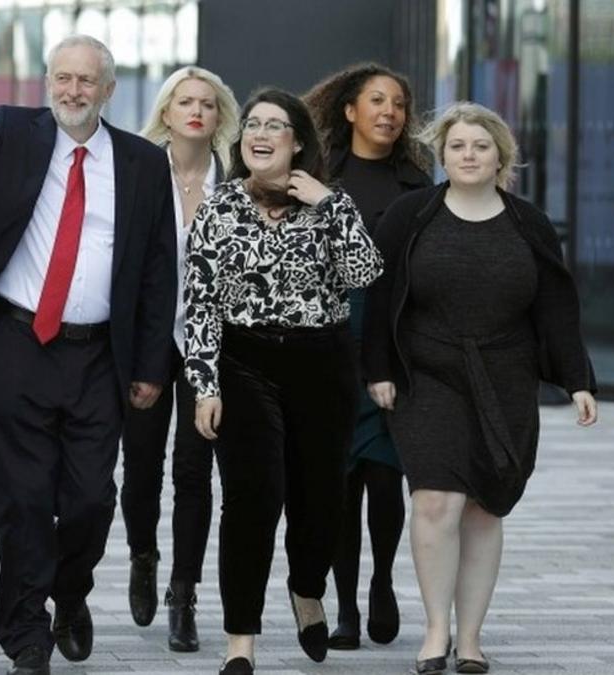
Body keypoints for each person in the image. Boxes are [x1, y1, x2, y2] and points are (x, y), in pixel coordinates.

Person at [0, 7, 176, 675]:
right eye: (62, 77)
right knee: (23, 497)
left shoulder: (144, 162)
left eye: (86, 80)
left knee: (90, 498)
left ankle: (71, 591)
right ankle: (25, 630)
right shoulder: (13, 132)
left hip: (100, 354)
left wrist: (150, 364)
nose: (72, 90)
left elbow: (157, 269)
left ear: (108, 89)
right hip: (22, 341)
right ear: (47, 81)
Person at [362, 101, 598, 675]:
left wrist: (578, 381)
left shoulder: (529, 223)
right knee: (435, 499)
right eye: (457, 146)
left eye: (480, 146)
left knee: (486, 508)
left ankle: (470, 639)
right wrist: (378, 369)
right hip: (427, 375)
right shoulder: (410, 215)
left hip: (505, 377)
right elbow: (379, 297)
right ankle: (435, 631)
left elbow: (556, 306)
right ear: (442, 156)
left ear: (501, 157)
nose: (468, 155)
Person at [184, 87, 382, 675]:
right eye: (252, 124)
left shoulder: (328, 201)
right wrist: (205, 384)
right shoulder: (220, 207)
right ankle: (240, 641)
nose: (260, 134)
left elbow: (364, 272)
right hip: (244, 363)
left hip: (321, 364)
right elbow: (199, 302)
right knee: (252, 497)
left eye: (275, 125)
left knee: (320, 498)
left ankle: (306, 587)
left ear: (297, 143)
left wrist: (330, 204)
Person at [303, 62, 433, 650]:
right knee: (340, 483)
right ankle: (347, 607)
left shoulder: (418, 182)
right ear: (350, 110)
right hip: (329, 342)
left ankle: (382, 581)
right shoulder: (319, 175)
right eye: (377, 101)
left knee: (385, 478)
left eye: (398, 104)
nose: (390, 112)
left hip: (392, 344)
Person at [126, 64, 237, 652]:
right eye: (185, 101)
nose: (196, 111)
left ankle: (183, 594)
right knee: (141, 468)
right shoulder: (139, 172)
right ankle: (143, 553)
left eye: (207, 103)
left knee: (194, 472)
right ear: (166, 112)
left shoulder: (235, 182)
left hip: (209, 348)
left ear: (220, 117)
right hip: (149, 340)